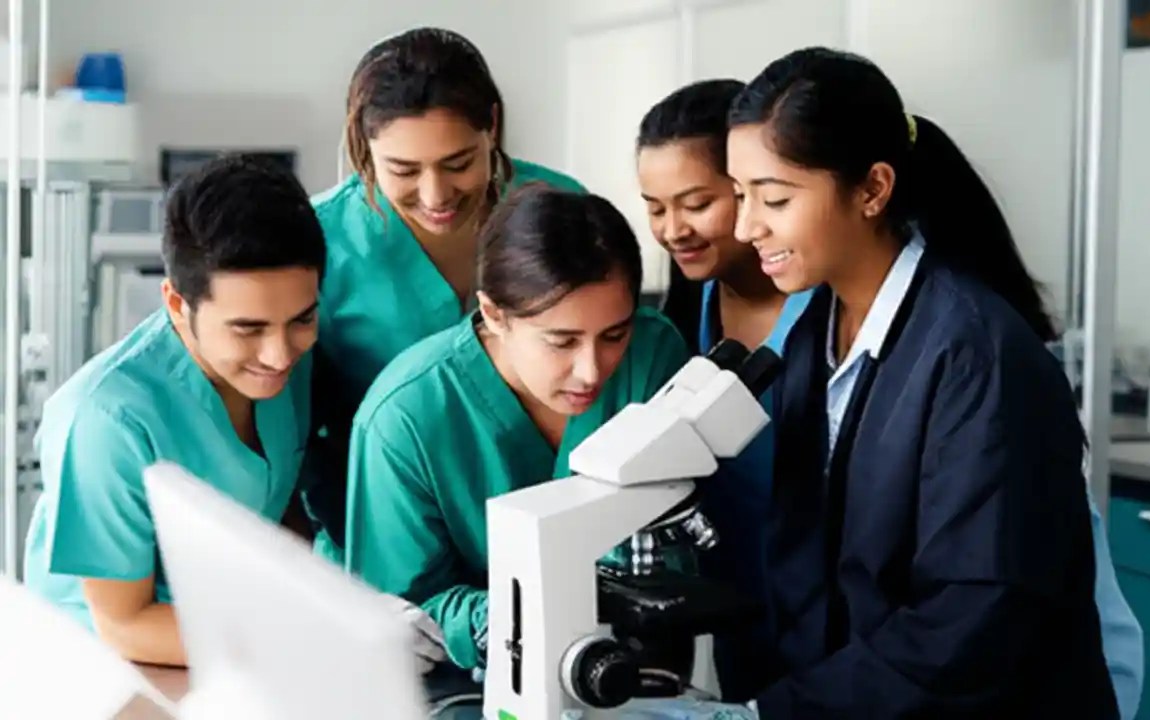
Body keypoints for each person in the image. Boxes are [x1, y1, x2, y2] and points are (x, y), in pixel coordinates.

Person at [726, 48, 1127, 718]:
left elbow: (973, 618)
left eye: (774, 198)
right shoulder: (810, 335)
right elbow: (806, 569)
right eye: (741, 196)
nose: (746, 227)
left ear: (873, 190)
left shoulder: (977, 357)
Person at [342, 185, 689, 672]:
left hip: (629, 667)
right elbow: (403, 609)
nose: (592, 370)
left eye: (614, 335)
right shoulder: (404, 418)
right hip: (463, 682)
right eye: (561, 341)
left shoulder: (653, 355)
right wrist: (524, 614)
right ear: (494, 315)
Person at [21, 155, 325, 667]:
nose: (279, 354)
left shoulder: (288, 360)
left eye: (301, 319)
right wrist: (303, 640)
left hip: (229, 632)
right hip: (110, 665)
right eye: (247, 329)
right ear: (178, 305)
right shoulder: (106, 420)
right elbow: (125, 624)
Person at [306, 27, 587, 559]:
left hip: (550, 525)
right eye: (403, 171)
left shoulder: (559, 209)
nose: (436, 196)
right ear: (365, 150)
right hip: (384, 536)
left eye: (459, 163)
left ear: (493, 128)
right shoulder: (322, 242)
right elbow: (296, 430)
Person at [635, 78, 814, 701]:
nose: (673, 229)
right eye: (655, 208)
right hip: (736, 609)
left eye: (695, 204)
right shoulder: (693, 308)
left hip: (828, 620)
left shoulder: (826, 309)